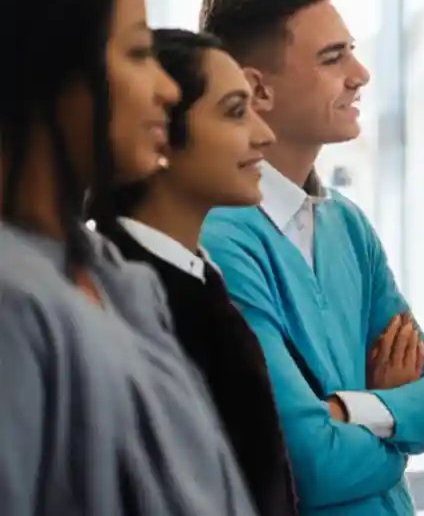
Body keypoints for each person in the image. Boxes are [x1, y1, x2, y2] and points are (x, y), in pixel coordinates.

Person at [0, 0, 257, 515]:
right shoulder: (13, 302)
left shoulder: (113, 276)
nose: (166, 89)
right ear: (49, 69)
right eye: (138, 53)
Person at [197, 0, 424, 516]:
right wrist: (394, 429)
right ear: (256, 89)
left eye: (352, 52)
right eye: (333, 58)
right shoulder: (219, 236)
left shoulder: (349, 225)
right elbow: (308, 465)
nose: (360, 73)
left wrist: (342, 410)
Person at [89, 29, 300, 516]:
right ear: (158, 127)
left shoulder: (195, 279)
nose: (264, 134)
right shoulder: (125, 299)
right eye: (234, 111)